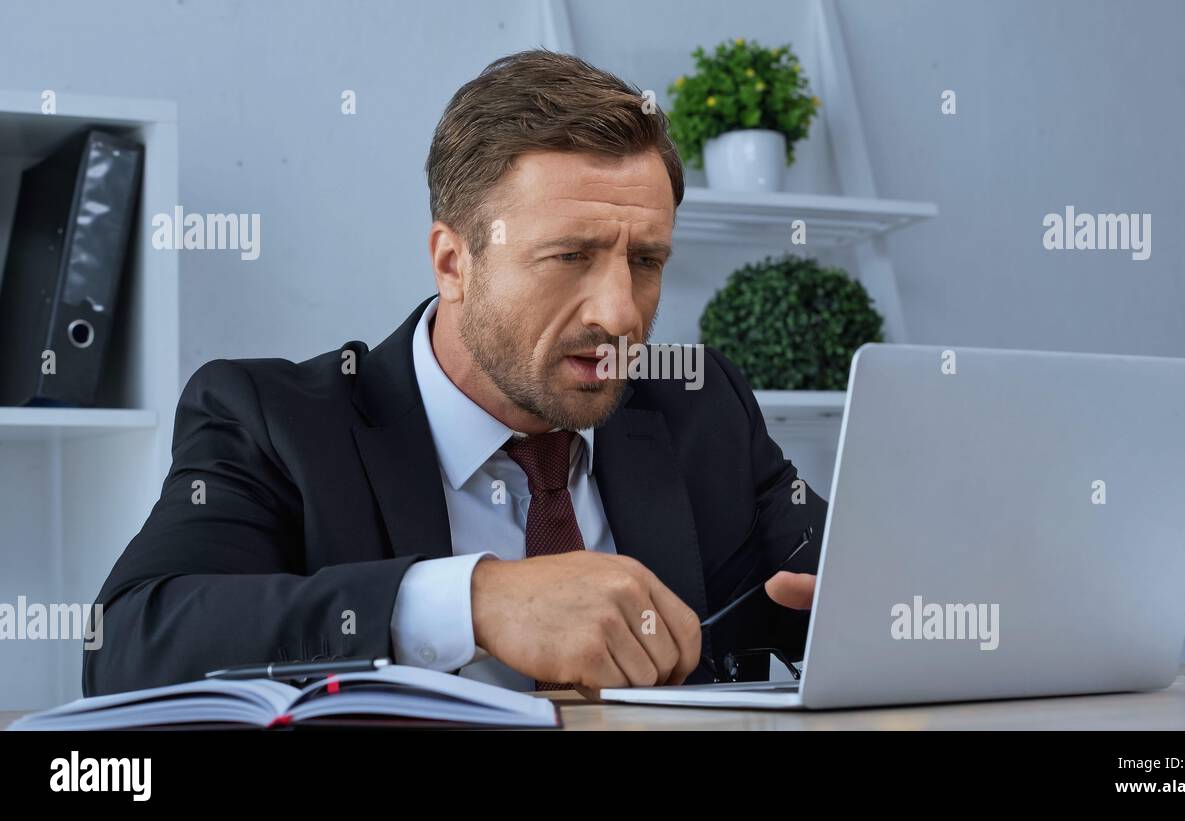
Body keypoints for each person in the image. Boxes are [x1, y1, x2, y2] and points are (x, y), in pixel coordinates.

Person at [84, 49, 825, 698]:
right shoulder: (275, 421)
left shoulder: (699, 404)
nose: (620, 313)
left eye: (645, 260)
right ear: (453, 263)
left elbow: (840, 583)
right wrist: (474, 602)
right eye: (570, 257)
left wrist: (886, 614)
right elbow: (130, 644)